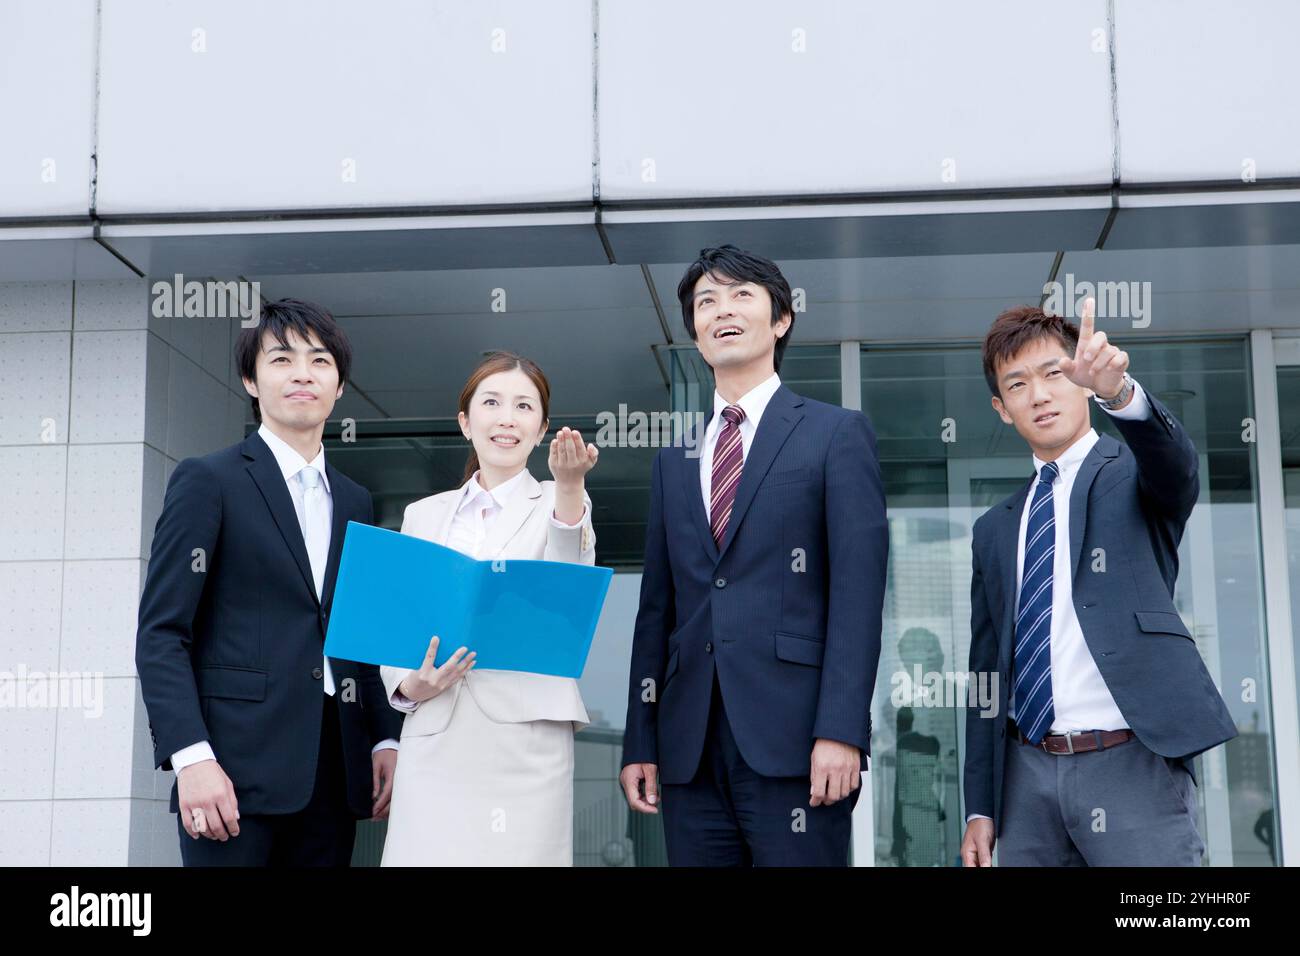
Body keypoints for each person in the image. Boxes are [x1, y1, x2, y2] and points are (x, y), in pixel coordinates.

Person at [620, 244, 889, 866]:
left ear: (781, 320)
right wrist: (640, 737)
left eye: (742, 295)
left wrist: (842, 730)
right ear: (694, 329)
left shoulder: (834, 433)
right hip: (688, 749)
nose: (722, 311)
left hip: (796, 742)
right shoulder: (674, 460)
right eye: (706, 302)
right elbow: (655, 611)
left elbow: (857, 594)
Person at [961, 298, 1238, 867]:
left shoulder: (1133, 475)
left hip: (1130, 763)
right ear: (1002, 408)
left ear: (1081, 383)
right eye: (1017, 385)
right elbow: (985, 672)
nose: (1038, 395)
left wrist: (1121, 394)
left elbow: (1176, 467)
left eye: (1054, 374)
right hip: (1025, 777)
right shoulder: (994, 529)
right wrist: (980, 806)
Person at [136, 299, 402, 866]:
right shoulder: (208, 480)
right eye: (281, 359)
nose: (302, 373)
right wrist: (191, 757)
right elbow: (162, 633)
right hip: (232, 773)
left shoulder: (355, 498)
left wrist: (384, 736)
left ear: (339, 386)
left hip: (334, 770)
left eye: (319, 360)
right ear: (251, 381)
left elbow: (357, 630)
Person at [379, 351, 598, 866]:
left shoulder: (559, 501)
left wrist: (569, 486)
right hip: (436, 733)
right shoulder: (423, 514)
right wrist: (409, 685)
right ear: (465, 421)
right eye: (492, 402)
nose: (507, 417)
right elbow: (399, 627)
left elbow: (567, 579)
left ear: (542, 428)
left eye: (524, 406)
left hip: (524, 744)